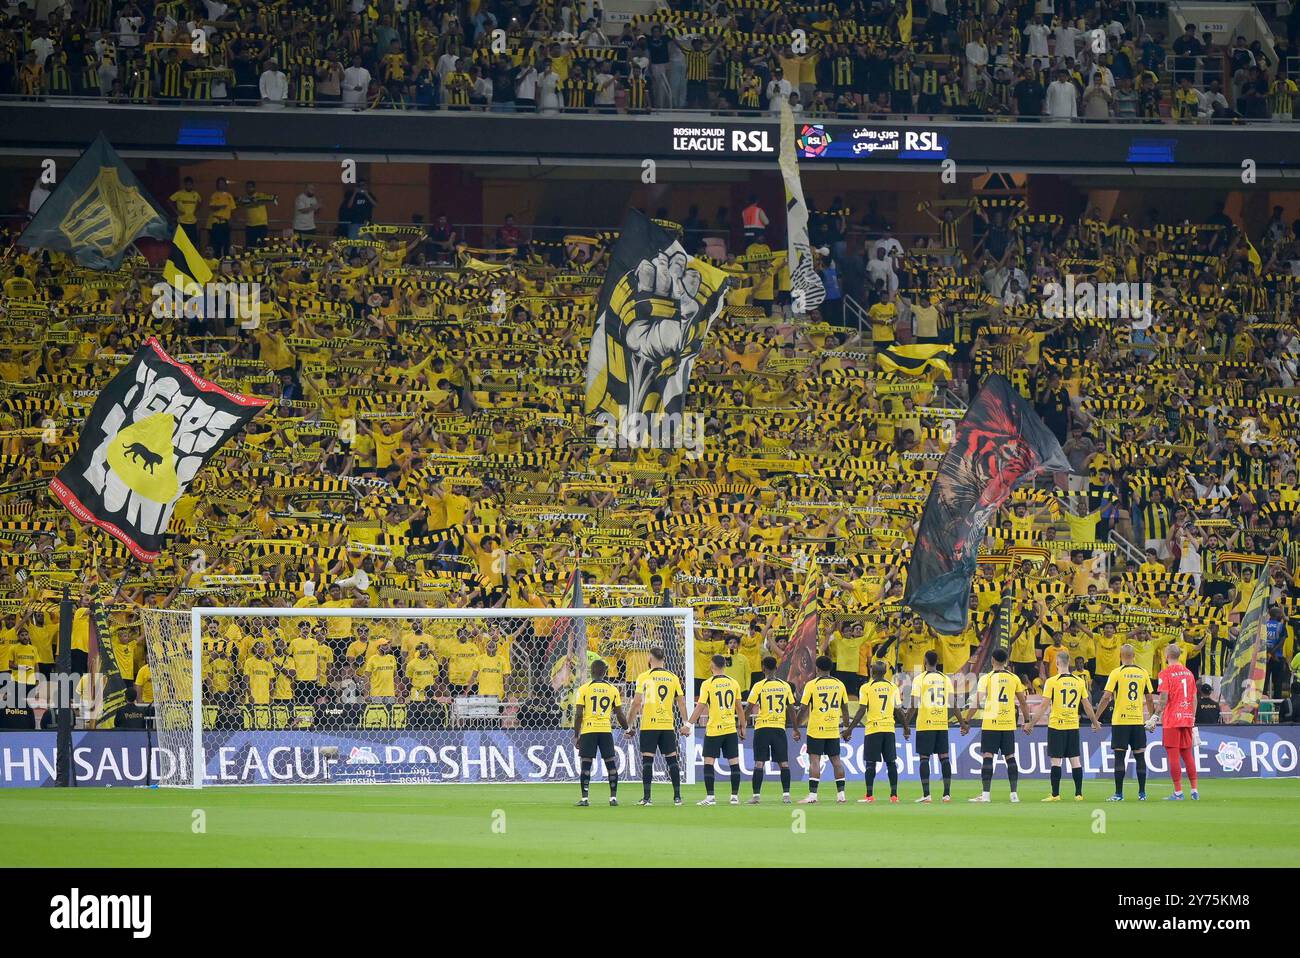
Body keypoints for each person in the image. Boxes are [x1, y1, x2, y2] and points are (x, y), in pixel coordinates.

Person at [1027, 650, 1100, 801]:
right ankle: (1078, 794)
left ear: (1057, 663)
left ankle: (1055, 794)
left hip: (1057, 725)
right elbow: (1087, 705)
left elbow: (1043, 706)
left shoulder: (1052, 681)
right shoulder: (1078, 681)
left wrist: (1031, 723)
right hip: (1073, 724)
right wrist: (1095, 722)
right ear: (1069, 663)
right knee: (1075, 760)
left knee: (1055, 761)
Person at [961, 647, 1029, 803]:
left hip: (991, 724)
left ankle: (985, 795)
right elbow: (1024, 703)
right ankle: (1014, 794)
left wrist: (966, 721)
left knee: (987, 757)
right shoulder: (1014, 678)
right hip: (1007, 724)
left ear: (992, 660)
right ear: (1006, 661)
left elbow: (976, 702)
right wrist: (1027, 722)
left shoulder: (987, 678)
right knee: (1010, 757)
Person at [624, 646, 689, 806]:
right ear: (664, 660)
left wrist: (628, 725)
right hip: (667, 725)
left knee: (648, 760)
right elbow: (681, 702)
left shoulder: (643, 677)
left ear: (650, 659)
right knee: (672, 760)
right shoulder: (673, 677)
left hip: (649, 725)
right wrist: (686, 724)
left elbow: (637, 703)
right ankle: (677, 797)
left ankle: (647, 798)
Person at [1094, 643, 1156, 801]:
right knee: (1140, 757)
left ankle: (1118, 794)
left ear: (1120, 657)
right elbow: (1149, 698)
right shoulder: (1143, 673)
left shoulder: (1116, 673)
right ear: (1134, 656)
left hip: (1121, 721)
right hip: (1137, 721)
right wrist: (1152, 718)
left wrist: (1095, 718)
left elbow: (1106, 697)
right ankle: (1142, 794)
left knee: (1120, 757)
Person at [845, 659, 909, 803]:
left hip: (873, 729)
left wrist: (850, 729)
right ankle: (894, 795)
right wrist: (906, 727)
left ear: (872, 672)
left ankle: (869, 795)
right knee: (891, 762)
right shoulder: (893, 687)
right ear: (885, 672)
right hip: (888, 729)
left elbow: (862, 710)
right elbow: (898, 710)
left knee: (871, 763)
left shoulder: (866, 687)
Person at [686, 653, 746, 805]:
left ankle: (710, 797)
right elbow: (739, 708)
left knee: (709, 762)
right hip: (730, 729)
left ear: (712, 666)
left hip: (714, 730)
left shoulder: (707, 684)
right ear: (725, 666)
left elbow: (700, 707)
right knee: (734, 762)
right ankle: (734, 797)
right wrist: (743, 726)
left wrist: (688, 725)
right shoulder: (734, 683)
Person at [905, 650, 965, 803]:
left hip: (926, 723)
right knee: (944, 757)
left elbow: (913, 704)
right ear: (937, 661)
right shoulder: (945, 679)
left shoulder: (920, 679)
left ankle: (927, 795)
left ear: (925, 661)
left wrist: (905, 724)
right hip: (941, 724)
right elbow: (954, 704)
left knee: (924, 758)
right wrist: (962, 723)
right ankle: (946, 794)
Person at [794, 655, 850, 804]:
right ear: (830, 668)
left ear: (817, 668)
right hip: (832, 729)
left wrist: (796, 727)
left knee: (814, 761)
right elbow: (845, 709)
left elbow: (803, 708)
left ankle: (813, 796)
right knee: (836, 761)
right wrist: (846, 728)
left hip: (816, 729)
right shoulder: (840, 684)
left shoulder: (812, 685)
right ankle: (841, 795)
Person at [573, 659, 628, 807]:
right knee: (610, 763)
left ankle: (584, 798)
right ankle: (613, 798)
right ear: (605, 672)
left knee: (586, 764)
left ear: (591, 672)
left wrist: (576, 735)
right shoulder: (613, 689)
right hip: (605, 729)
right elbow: (620, 714)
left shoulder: (584, 689)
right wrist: (627, 729)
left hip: (589, 730)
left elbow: (578, 714)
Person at [744, 655, 796, 804]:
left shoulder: (759, 685)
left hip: (762, 727)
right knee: (784, 763)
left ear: (763, 668)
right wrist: (796, 728)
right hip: (779, 728)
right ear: (776, 668)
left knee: (759, 763)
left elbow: (749, 707)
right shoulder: (785, 685)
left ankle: (756, 797)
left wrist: (742, 724)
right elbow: (791, 708)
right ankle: (786, 795)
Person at [1152, 643, 1199, 801]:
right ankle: (1194, 790)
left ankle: (1178, 792)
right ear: (1179, 655)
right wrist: (1192, 717)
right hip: (1187, 718)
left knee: (1173, 756)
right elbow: (1194, 698)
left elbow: (1163, 698)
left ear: (1166, 656)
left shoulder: (1165, 673)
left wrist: (1155, 716)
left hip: (1172, 719)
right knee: (1187, 755)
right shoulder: (1189, 673)